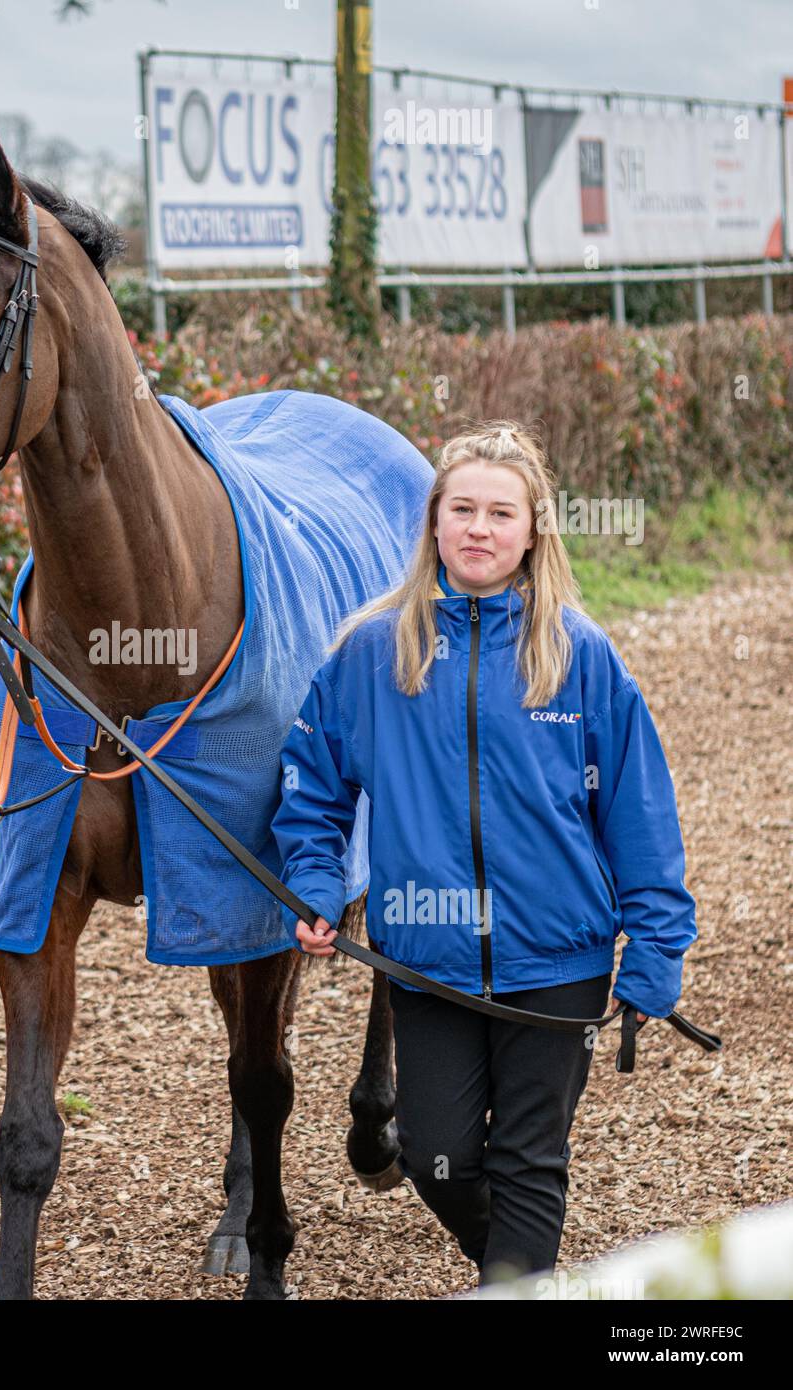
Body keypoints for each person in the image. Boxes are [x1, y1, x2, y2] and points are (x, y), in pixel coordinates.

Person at [269, 420, 697, 1286]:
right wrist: (314, 883)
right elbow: (312, 787)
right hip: (428, 960)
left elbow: (641, 814)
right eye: (460, 508)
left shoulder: (581, 657)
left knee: (529, 1161)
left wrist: (655, 951)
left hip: (559, 959)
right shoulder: (370, 653)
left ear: (534, 528)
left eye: (500, 513)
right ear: (432, 523)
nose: (478, 528)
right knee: (438, 1155)